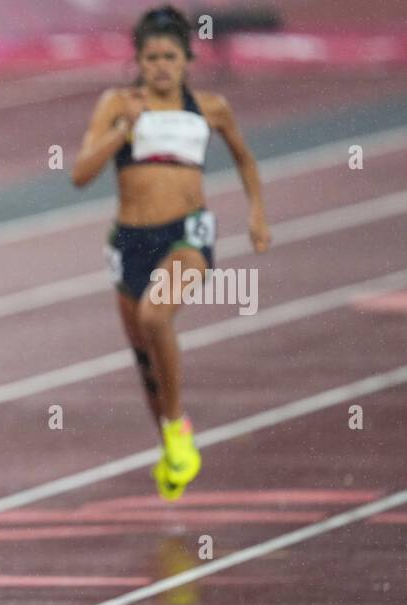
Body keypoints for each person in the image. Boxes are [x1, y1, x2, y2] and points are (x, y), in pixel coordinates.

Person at [71, 5, 269, 499]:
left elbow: (244, 158)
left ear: (187, 61)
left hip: (187, 234)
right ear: (138, 60)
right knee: (144, 360)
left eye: (171, 57)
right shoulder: (117, 104)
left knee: (156, 317)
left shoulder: (210, 108)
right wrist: (124, 129)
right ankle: (170, 446)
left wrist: (257, 214)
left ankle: (179, 427)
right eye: (152, 57)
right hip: (129, 243)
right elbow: (80, 174)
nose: (161, 65)